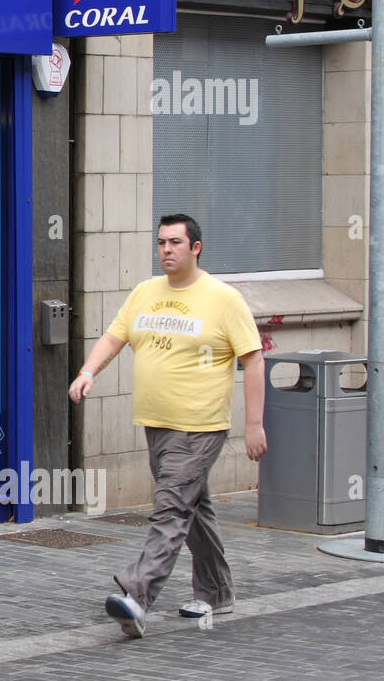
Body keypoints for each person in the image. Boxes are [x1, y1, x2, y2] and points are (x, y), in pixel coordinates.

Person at [69, 214, 267, 638]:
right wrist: (88, 372)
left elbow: (252, 360)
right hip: (156, 423)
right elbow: (114, 336)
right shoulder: (145, 292)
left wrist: (254, 424)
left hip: (199, 426)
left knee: (171, 507)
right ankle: (217, 592)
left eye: (175, 242)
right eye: (161, 243)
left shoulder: (222, 298)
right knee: (192, 507)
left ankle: (137, 595)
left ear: (196, 247)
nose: (166, 250)